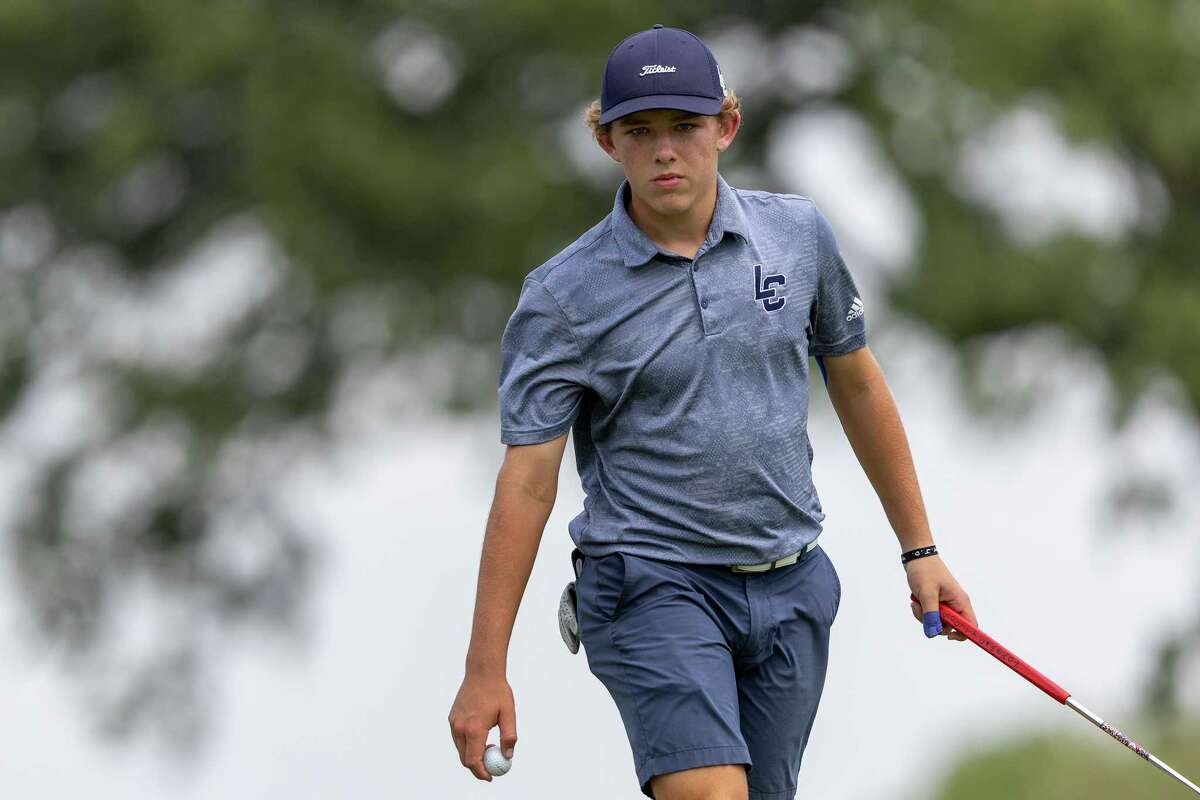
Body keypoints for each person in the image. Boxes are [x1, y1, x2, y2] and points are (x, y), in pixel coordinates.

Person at [449, 23, 978, 800]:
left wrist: (920, 549)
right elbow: (528, 481)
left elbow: (858, 382)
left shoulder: (796, 236)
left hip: (790, 581)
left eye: (685, 127)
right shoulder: (563, 298)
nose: (665, 151)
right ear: (606, 141)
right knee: (711, 795)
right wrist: (484, 668)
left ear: (726, 126)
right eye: (640, 131)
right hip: (650, 583)